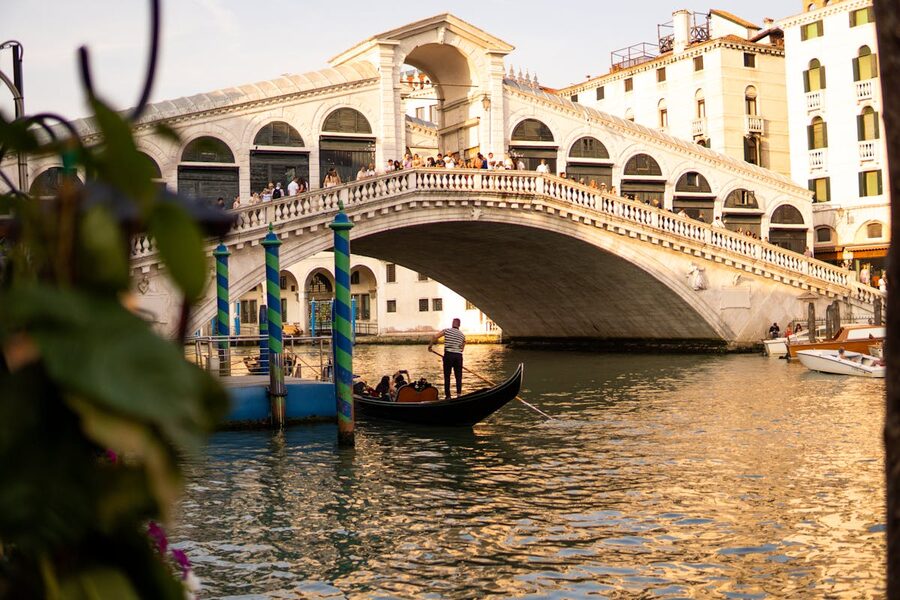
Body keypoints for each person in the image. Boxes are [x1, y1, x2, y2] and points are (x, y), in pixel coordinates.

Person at [428, 318, 466, 399]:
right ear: (459, 325)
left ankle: (448, 396)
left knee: (447, 376)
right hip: (459, 356)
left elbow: (435, 336)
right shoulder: (462, 335)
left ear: (452, 323)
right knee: (458, 376)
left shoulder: (447, 330)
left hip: (449, 355)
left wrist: (430, 346)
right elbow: (462, 348)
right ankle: (459, 395)